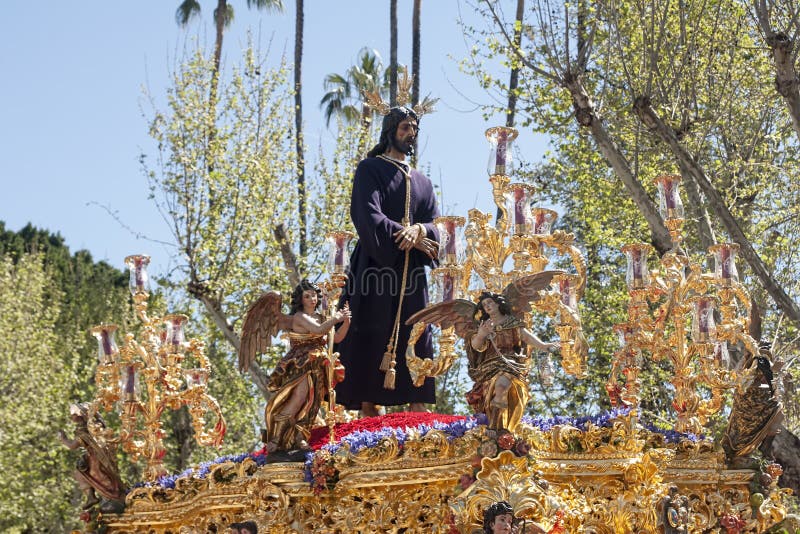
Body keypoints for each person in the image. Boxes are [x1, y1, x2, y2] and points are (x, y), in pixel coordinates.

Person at [335, 106, 440, 416]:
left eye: (414, 129)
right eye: (405, 128)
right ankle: (369, 405)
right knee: (371, 326)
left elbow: (436, 223)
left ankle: (417, 402)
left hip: (412, 276)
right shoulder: (370, 169)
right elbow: (367, 213)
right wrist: (403, 235)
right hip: (375, 264)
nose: (411, 134)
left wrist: (421, 231)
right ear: (391, 130)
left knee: (417, 331)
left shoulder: (423, 182)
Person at [260, 280, 350, 453]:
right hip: (302, 363)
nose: (312, 299)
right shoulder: (300, 317)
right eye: (307, 296)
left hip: (319, 365)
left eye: (314, 295)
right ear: (300, 300)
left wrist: (345, 321)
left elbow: (336, 338)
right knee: (299, 398)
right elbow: (318, 330)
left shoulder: (321, 317)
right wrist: (336, 318)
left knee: (312, 402)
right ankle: (276, 436)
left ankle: (300, 438)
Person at [468, 292, 559, 432]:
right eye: (484, 305)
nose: (487, 306)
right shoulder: (485, 325)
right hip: (489, 364)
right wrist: (481, 335)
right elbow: (475, 346)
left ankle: (501, 426)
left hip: (510, 362)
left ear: (498, 303)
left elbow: (527, 337)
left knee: (501, 387)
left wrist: (543, 345)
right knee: (496, 389)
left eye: (490, 303)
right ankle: (496, 426)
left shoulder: (512, 322)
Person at [57, 403, 126, 510]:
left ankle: (110, 496)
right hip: (95, 456)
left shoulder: (84, 431)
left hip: (96, 459)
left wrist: (63, 438)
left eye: (73, 414)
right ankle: (91, 496)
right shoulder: (93, 427)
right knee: (81, 473)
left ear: (81, 415)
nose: (71, 417)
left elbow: (72, 445)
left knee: (99, 477)